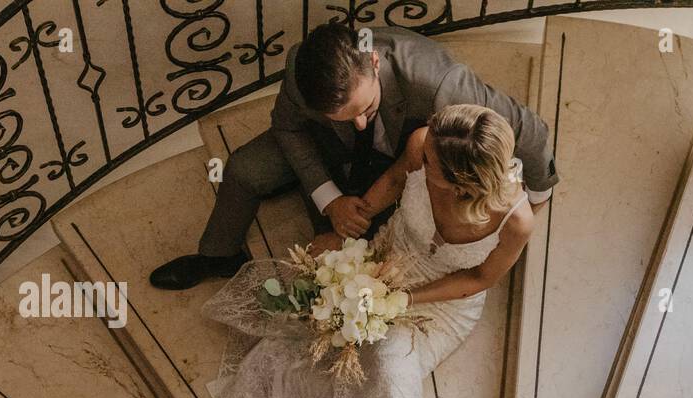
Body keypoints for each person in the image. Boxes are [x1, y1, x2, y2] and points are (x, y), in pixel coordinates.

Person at [203, 105, 535, 398]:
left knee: (388, 387)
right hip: (386, 258)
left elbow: (478, 277)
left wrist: (403, 299)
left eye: (435, 166)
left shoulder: (516, 222)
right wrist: (349, 224)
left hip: (440, 304)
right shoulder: (426, 141)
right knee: (322, 331)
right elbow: (397, 182)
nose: (424, 154)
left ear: (463, 182)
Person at [150, 23, 556, 290]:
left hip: (401, 159)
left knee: (336, 258)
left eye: (366, 110)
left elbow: (529, 130)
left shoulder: (439, 84)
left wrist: (535, 198)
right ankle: (218, 256)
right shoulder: (300, 67)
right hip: (325, 148)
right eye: (345, 116)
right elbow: (288, 127)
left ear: (375, 63)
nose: (360, 124)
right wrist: (328, 197)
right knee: (240, 169)